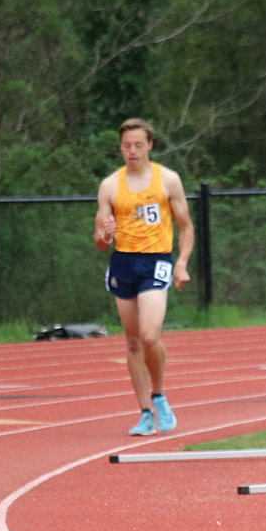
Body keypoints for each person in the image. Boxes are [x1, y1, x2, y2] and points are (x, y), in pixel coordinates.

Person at [93, 118, 195, 436]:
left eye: (138, 145)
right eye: (126, 146)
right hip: (123, 263)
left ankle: (159, 395)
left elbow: (186, 227)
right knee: (133, 341)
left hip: (156, 261)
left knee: (150, 336)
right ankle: (145, 413)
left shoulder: (168, 180)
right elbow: (99, 239)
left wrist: (181, 263)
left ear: (150, 145)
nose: (132, 151)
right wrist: (105, 235)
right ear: (120, 148)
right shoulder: (110, 185)